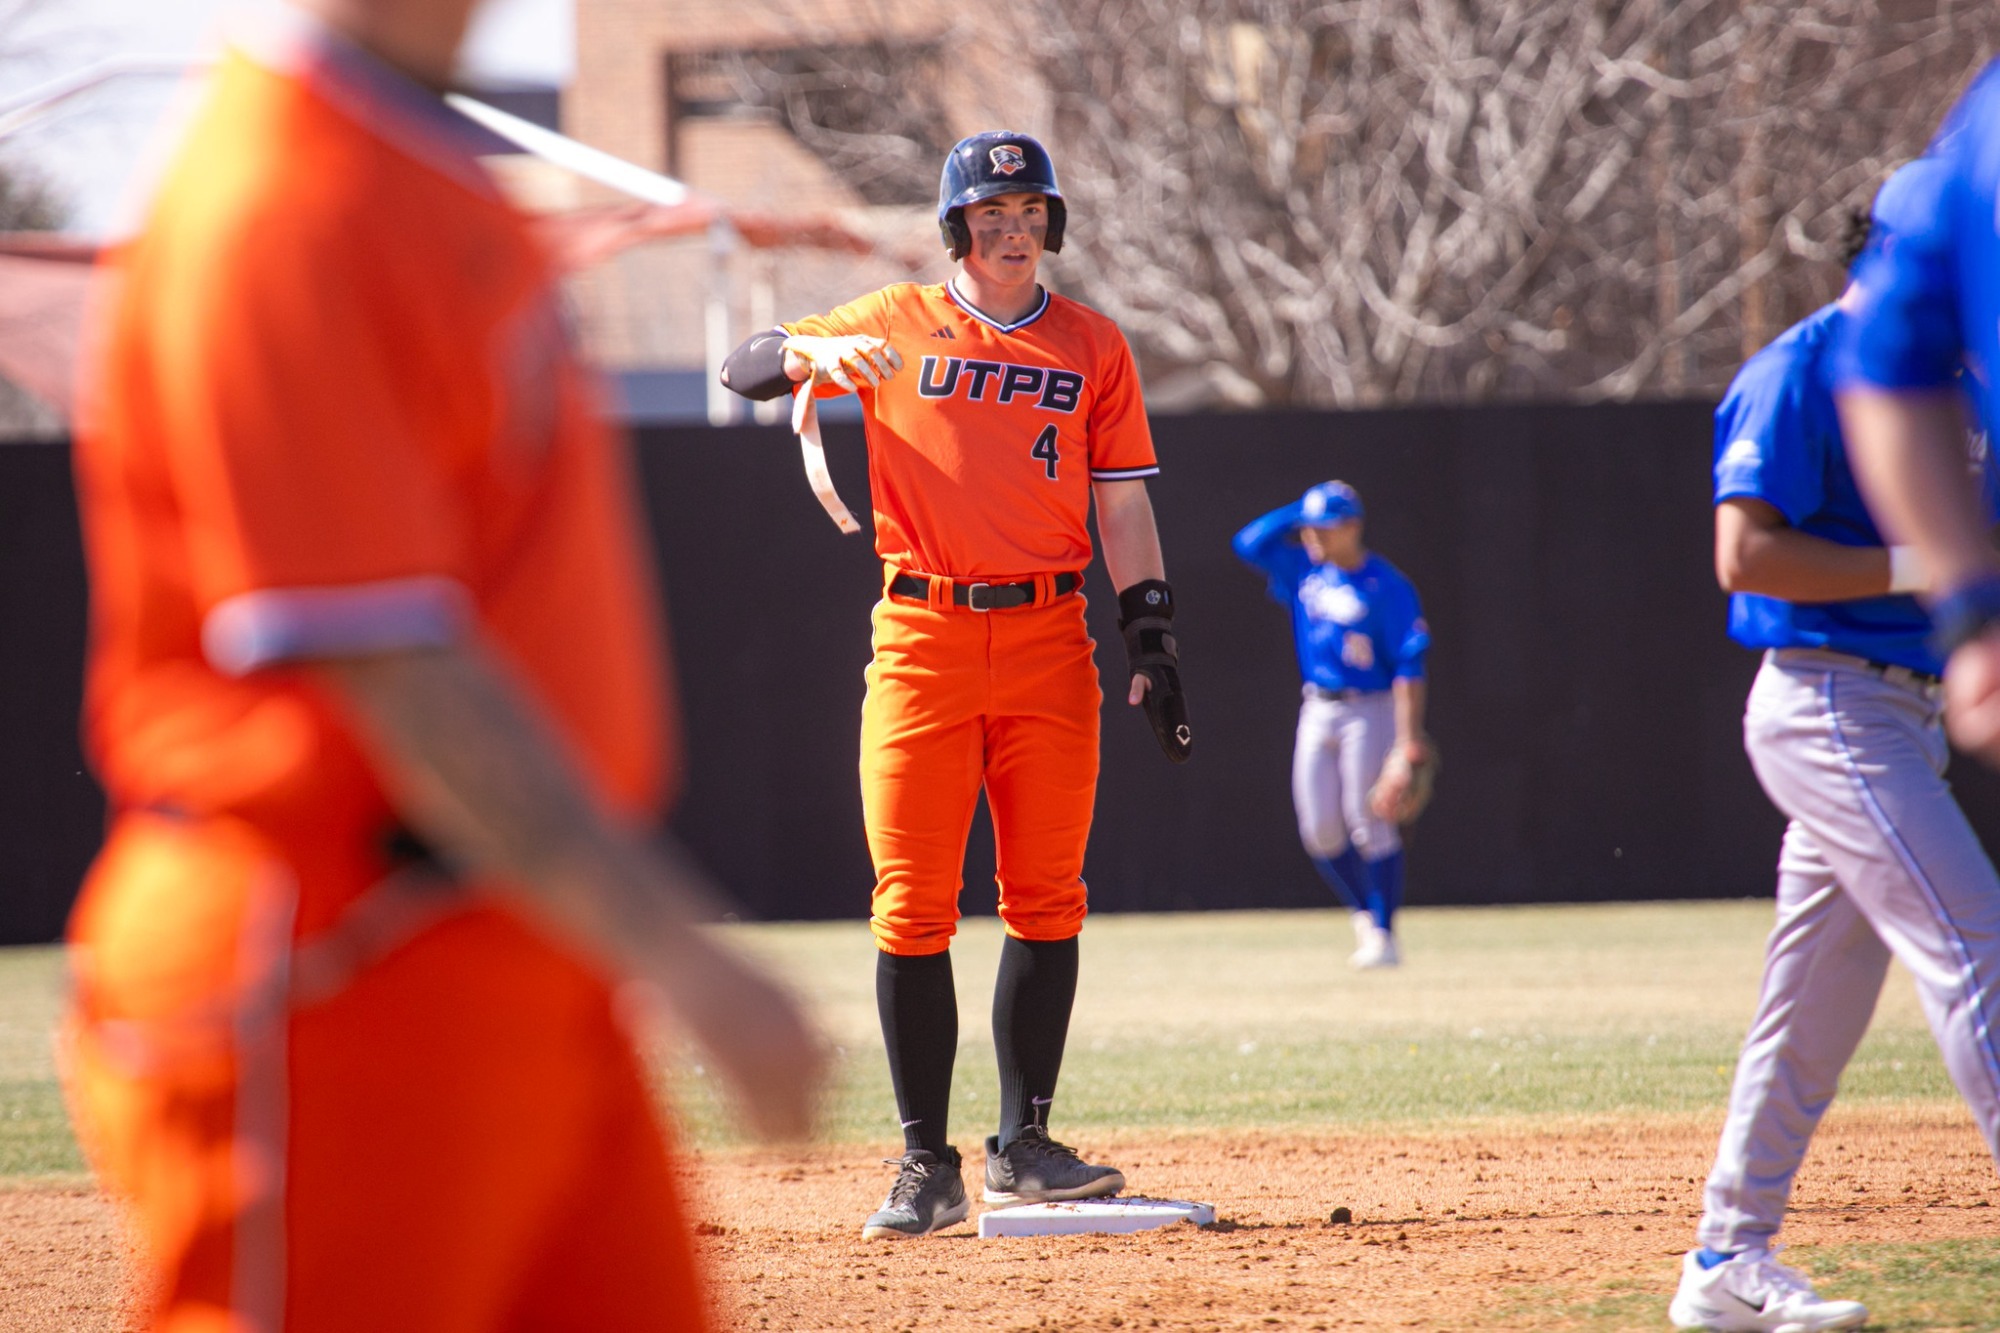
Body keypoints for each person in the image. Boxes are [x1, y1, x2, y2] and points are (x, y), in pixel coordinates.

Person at [64, 3, 823, 1329]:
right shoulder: (282, 203)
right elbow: (386, 661)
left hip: (521, 949)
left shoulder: (420, 164)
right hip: (335, 967)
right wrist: (681, 955)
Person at [718, 131, 1191, 1240]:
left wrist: (1152, 639)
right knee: (912, 903)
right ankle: (922, 1163)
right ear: (955, 229)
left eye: (1029, 211)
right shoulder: (888, 322)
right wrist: (807, 357)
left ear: (1051, 224)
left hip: (1048, 635)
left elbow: (1120, 505)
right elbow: (745, 369)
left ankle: (1023, 1146)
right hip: (923, 635)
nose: (1013, 228)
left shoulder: (1092, 345)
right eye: (991, 213)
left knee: (1046, 894)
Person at [1668, 158, 2000, 1333]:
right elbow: (1742, 555)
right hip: (1824, 701)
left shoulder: (1957, 382)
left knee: (1806, 1011)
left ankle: (1724, 1257)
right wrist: (1926, 567)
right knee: (1977, 941)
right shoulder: (1805, 363)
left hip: (1899, 708)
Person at [1837, 63, 2000, 766]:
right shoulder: (1788, 371)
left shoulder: (1985, 117)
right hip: (1843, 686)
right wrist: (1966, 599)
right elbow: (1741, 557)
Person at [1230, 482, 1431, 968]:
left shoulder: (1386, 585)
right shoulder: (1306, 571)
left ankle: (1383, 933)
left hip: (1371, 706)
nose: (1312, 535)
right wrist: (1304, 507)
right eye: (1309, 528)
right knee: (1319, 828)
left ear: (1353, 526)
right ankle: (1366, 915)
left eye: (1325, 526)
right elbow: (1249, 542)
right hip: (1317, 706)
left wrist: (1407, 741)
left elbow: (1409, 665)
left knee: (1371, 821)